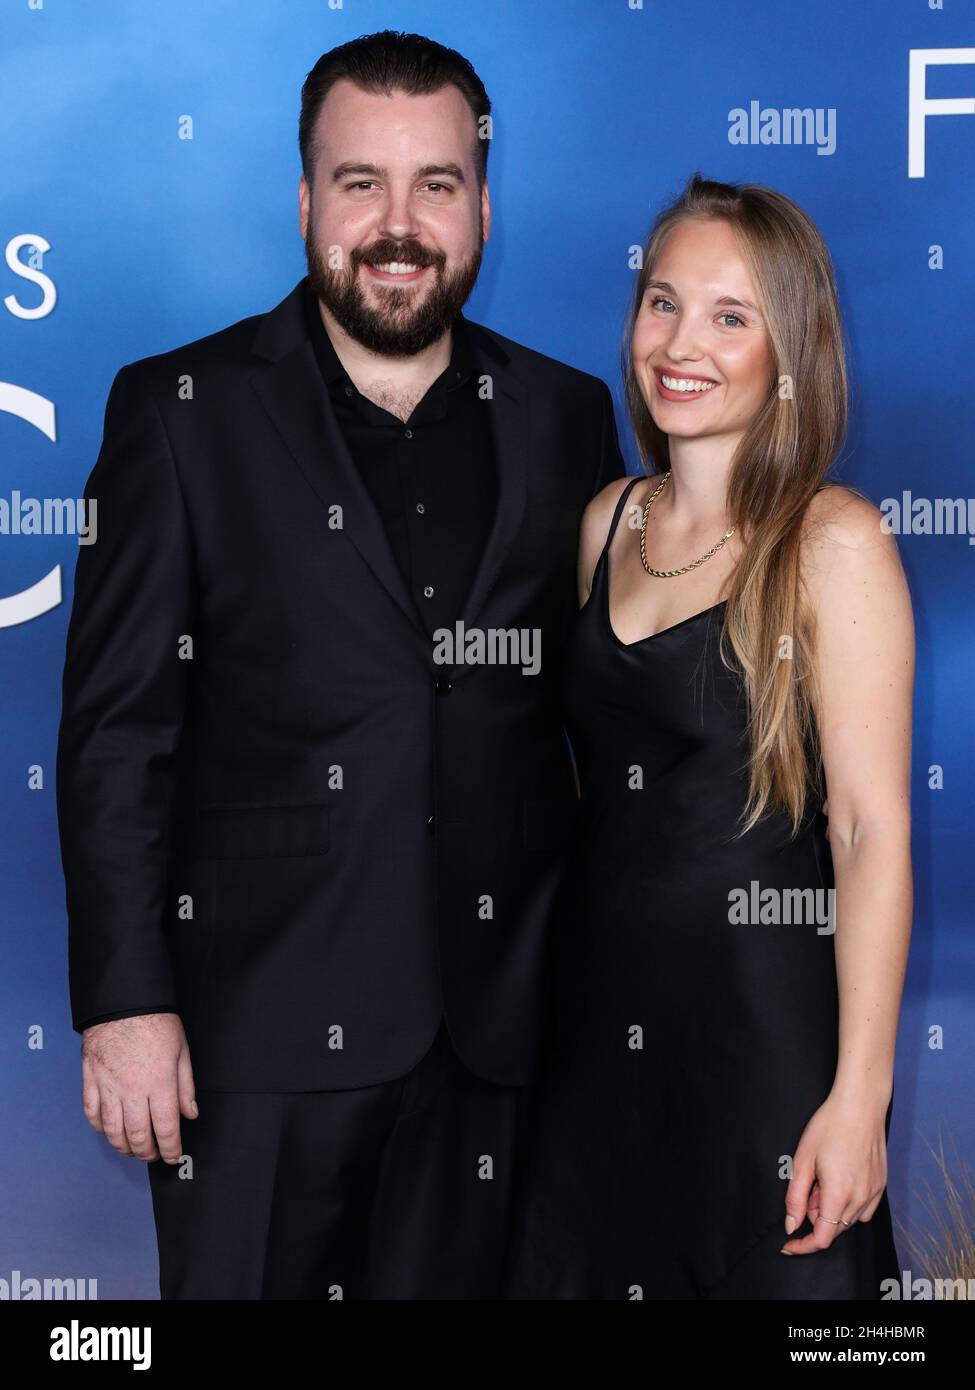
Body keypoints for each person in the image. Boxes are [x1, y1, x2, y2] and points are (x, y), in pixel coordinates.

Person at [56, 30, 624, 1299]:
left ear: (485, 204)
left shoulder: (570, 413)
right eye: (360, 181)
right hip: (248, 1042)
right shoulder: (178, 412)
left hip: (500, 1042)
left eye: (437, 182)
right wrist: (124, 1003)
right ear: (306, 198)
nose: (399, 222)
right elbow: (116, 732)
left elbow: (596, 719)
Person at [504, 173, 913, 1300]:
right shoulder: (607, 523)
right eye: (663, 301)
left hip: (765, 1044)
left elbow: (870, 831)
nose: (683, 342)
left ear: (790, 351)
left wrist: (858, 1096)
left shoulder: (835, 542)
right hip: (595, 1042)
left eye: (732, 316)